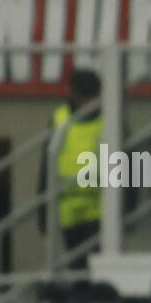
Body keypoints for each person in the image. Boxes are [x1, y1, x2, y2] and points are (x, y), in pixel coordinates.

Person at [38, 69, 104, 268]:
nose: (86, 102)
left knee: (96, 268)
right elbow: (46, 167)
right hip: (68, 209)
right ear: (73, 93)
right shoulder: (59, 118)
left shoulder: (109, 118)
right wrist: (43, 211)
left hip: (99, 209)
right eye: (83, 95)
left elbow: (127, 162)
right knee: (76, 267)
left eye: (90, 96)